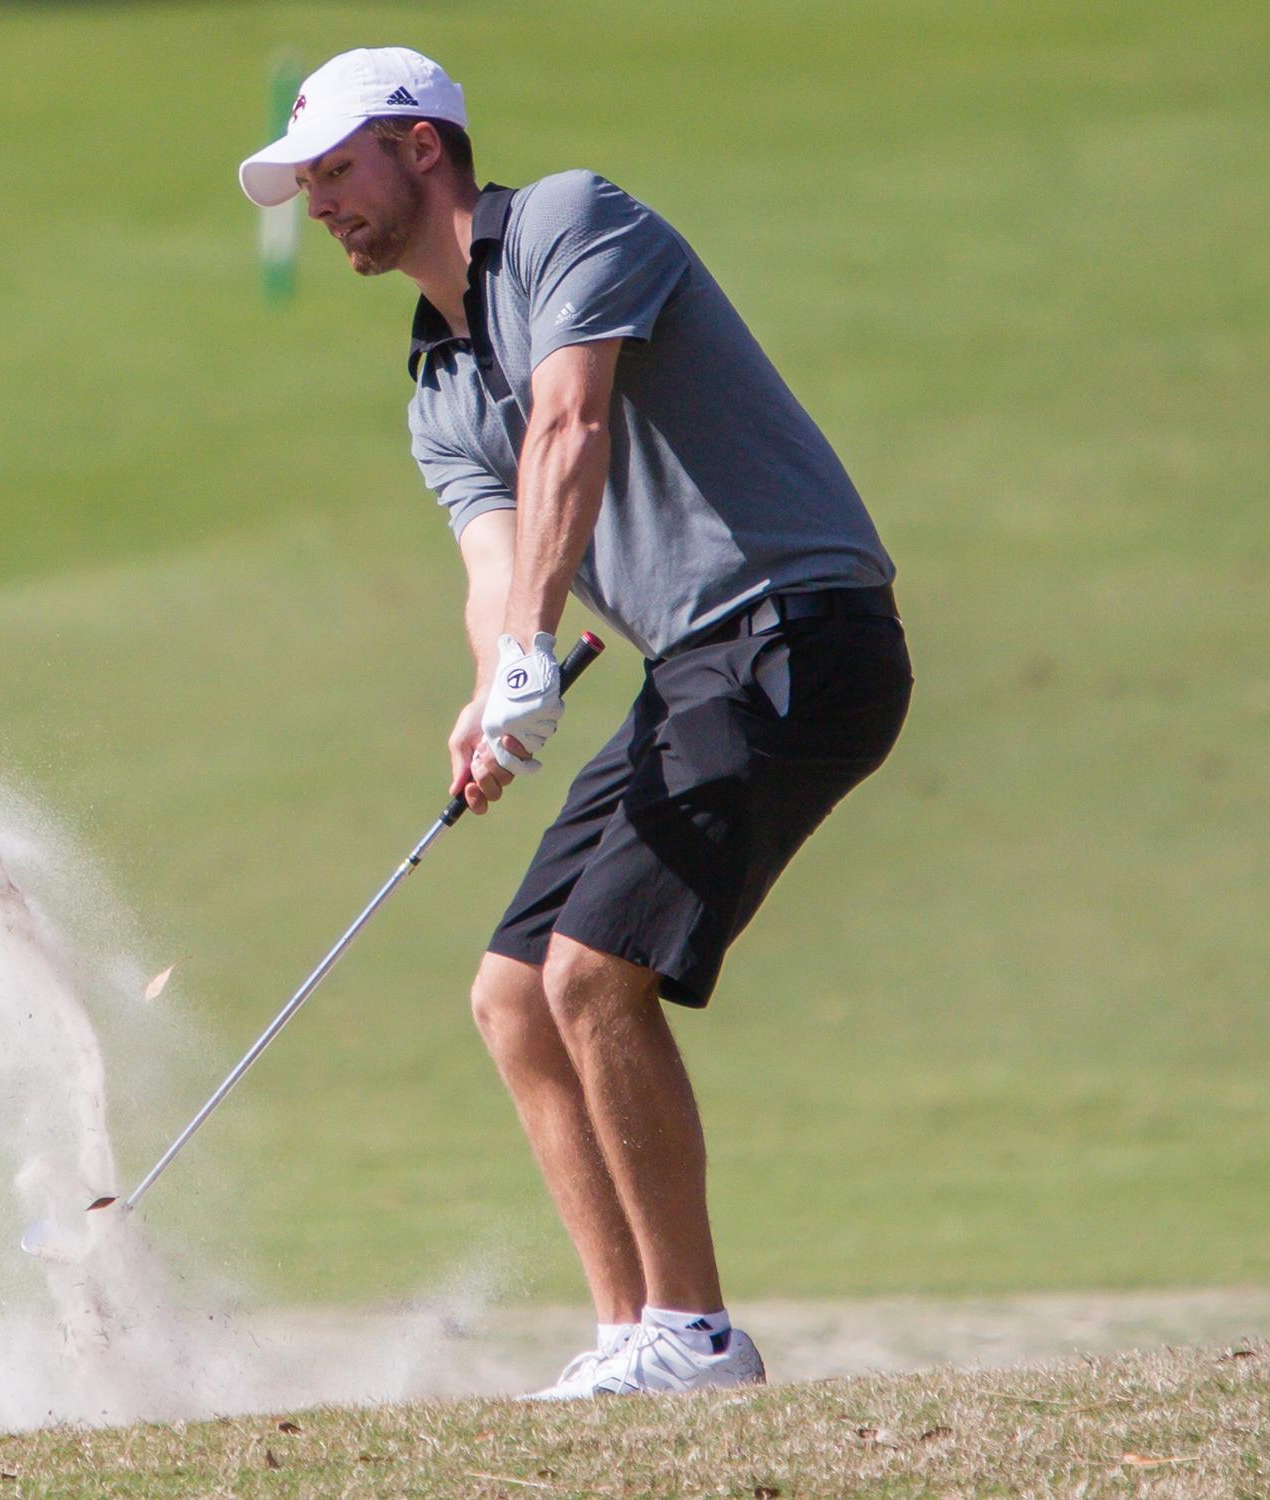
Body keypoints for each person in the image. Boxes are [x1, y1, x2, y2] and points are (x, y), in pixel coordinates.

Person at [237, 47, 913, 1398]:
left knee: (594, 972)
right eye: (304, 182)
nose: (317, 203)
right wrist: (497, 689)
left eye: (337, 167)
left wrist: (540, 650)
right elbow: (495, 564)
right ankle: (630, 1336)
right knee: (514, 996)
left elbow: (571, 421)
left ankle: (699, 1338)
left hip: (800, 629)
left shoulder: (568, 223)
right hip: (696, 666)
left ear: (424, 147)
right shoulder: (436, 378)